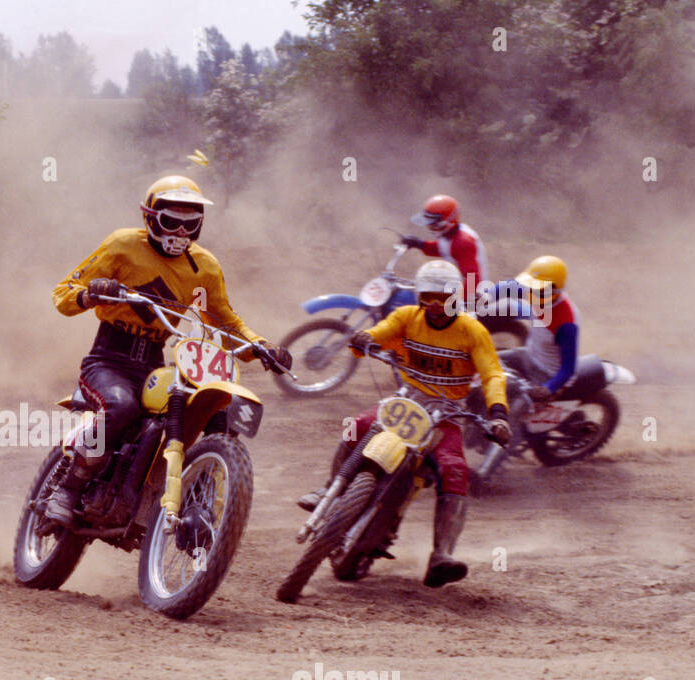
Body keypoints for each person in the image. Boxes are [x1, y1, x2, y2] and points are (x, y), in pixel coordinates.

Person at [45, 174, 291, 525]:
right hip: (108, 360)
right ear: (149, 217)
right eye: (170, 222)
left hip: (155, 363)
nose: (179, 232)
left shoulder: (204, 267)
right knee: (121, 406)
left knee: (216, 411)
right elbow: (64, 291)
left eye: (189, 224)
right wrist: (90, 292)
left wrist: (261, 346)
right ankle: (67, 489)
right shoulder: (122, 245)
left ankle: (196, 498)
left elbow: (225, 321)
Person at [297, 260, 512, 587]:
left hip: (447, 415)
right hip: (406, 401)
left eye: (444, 298)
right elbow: (379, 334)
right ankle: (329, 489)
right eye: (427, 297)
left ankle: (441, 555)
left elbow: (492, 373)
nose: (435, 306)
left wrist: (498, 414)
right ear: (418, 297)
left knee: (456, 470)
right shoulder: (406, 318)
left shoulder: (472, 331)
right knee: (355, 426)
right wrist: (364, 338)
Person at [498, 255, 579, 402]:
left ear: (553, 290)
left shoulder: (566, 324)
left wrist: (548, 388)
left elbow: (568, 368)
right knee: (488, 361)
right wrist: (482, 296)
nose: (530, 291)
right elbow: (507, 287)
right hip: (529, 355)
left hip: (547, 374)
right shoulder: (537, 289)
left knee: (513, 406)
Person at [401, 194, 489, 301]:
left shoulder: (463, 241)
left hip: (473, 298)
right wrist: (419, 244)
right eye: (430, 223)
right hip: (457, 290)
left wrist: (457, 302)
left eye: (434, 223)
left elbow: (473, 279)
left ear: (450, 220)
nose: (431, 227)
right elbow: (444, 249)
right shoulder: (449, 234)